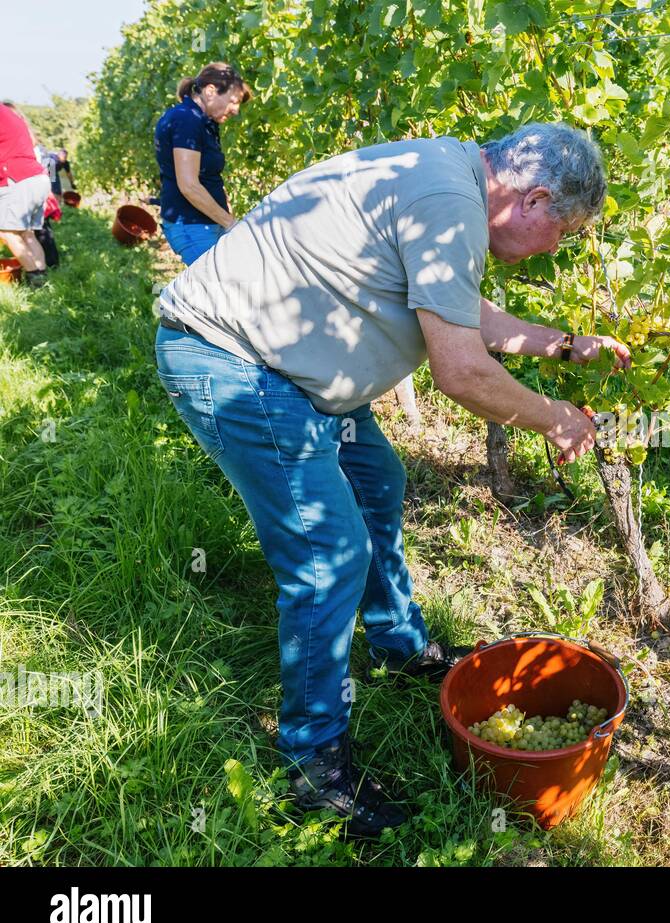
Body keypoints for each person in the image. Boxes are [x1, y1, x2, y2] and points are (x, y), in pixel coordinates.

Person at [155, 122, 630, 836]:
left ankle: (401, 645)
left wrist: (563, 344)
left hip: (289, 370)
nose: (555, 247)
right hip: (235, 362)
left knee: (377, 480)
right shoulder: (449, 200)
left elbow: (463, 309)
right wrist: (556, 417)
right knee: (327, 553)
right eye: (560, 230)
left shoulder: (446, 178)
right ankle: (313, 763)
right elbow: (461, 370)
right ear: (532, 199)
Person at [154, 62, 249, 265]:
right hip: (190, 224)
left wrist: (225, 219)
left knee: (224, 286)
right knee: (218, 288)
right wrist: (231, 223)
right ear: (210, 91)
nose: (236, 110)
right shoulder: (186, 119)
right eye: (233, 101)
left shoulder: (205, 122)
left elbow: (210, 177)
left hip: (206, 223)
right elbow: (189, 185)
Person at [0, 102, 49, 286]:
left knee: (7, 232)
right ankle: (43, 277)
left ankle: (35, 280)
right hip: (37, 178)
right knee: (27, 234)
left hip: (19, 178)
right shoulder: (10, 115)